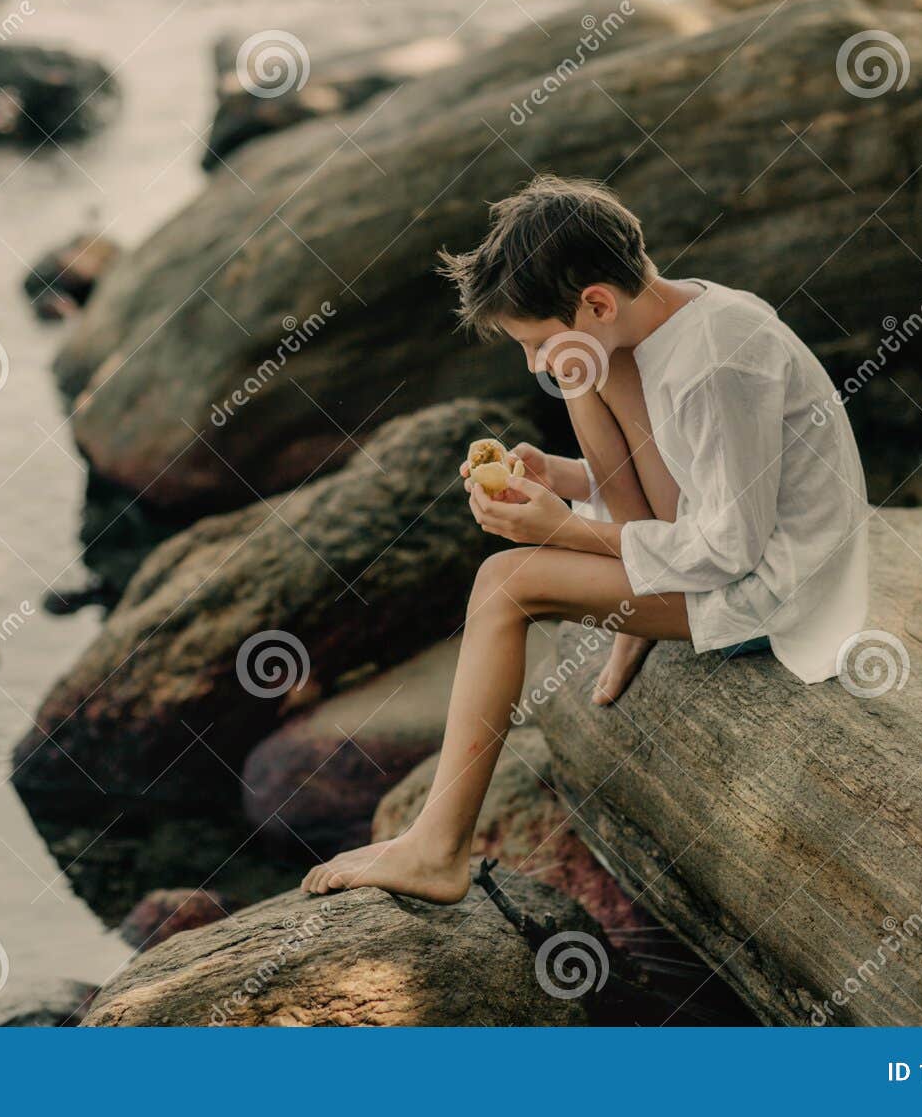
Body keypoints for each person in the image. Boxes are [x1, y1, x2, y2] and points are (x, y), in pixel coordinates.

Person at [301, 175, 869, 904]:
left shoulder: (717, 362)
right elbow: (679, 467)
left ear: (597, 300)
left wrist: (562, 530)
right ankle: (632, 618)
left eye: (536, 342)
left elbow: (731, 547)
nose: (532, 362)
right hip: (723, 544)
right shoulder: (659, 323)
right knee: (588, 368)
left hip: (781, 589)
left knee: (504, 584)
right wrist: (564, 478)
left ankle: (437, 848)